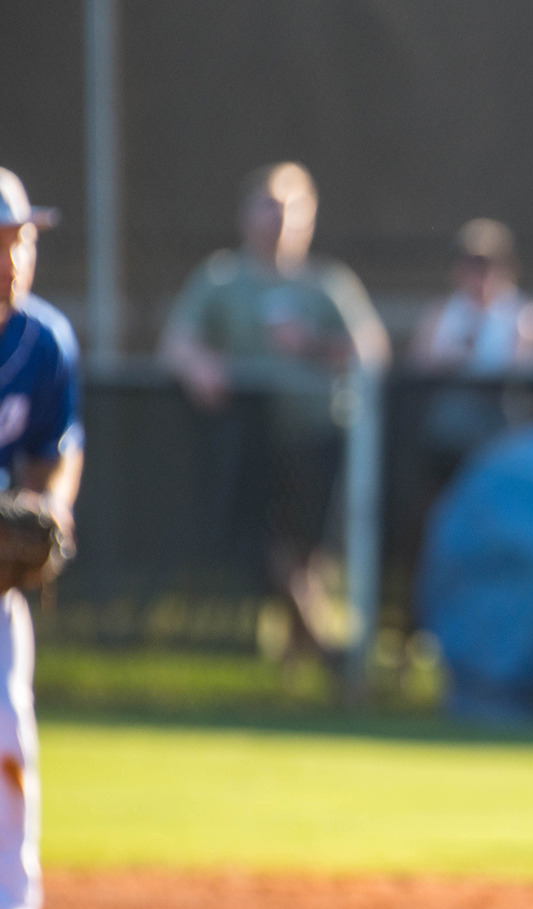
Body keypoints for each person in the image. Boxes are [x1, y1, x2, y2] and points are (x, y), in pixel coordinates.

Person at [158, 162, 389, 656]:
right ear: (246, 215)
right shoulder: (221, 279)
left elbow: (370, 352)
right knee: (263, 545)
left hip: (316, 436)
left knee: (307, 554)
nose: (278, 220)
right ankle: (322, 647)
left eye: (289, 209)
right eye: (267, 206)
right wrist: (201, 366)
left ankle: (304, 658)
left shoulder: (326, 283)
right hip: (248, 441)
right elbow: (177, 341)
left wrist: (313, 346)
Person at [0, 168, 91, 909]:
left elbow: (58, 452)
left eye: (19, 237)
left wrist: (50, 511)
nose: (12, 255)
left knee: (8, 746)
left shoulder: (42, 340)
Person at [408, 218, 533, 374]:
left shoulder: (527, 315)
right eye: (472, 265)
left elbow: (524, 370)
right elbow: (420, 365)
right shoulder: (438, 312)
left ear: (506, 267)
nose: (480, 275)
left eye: (487, 266)